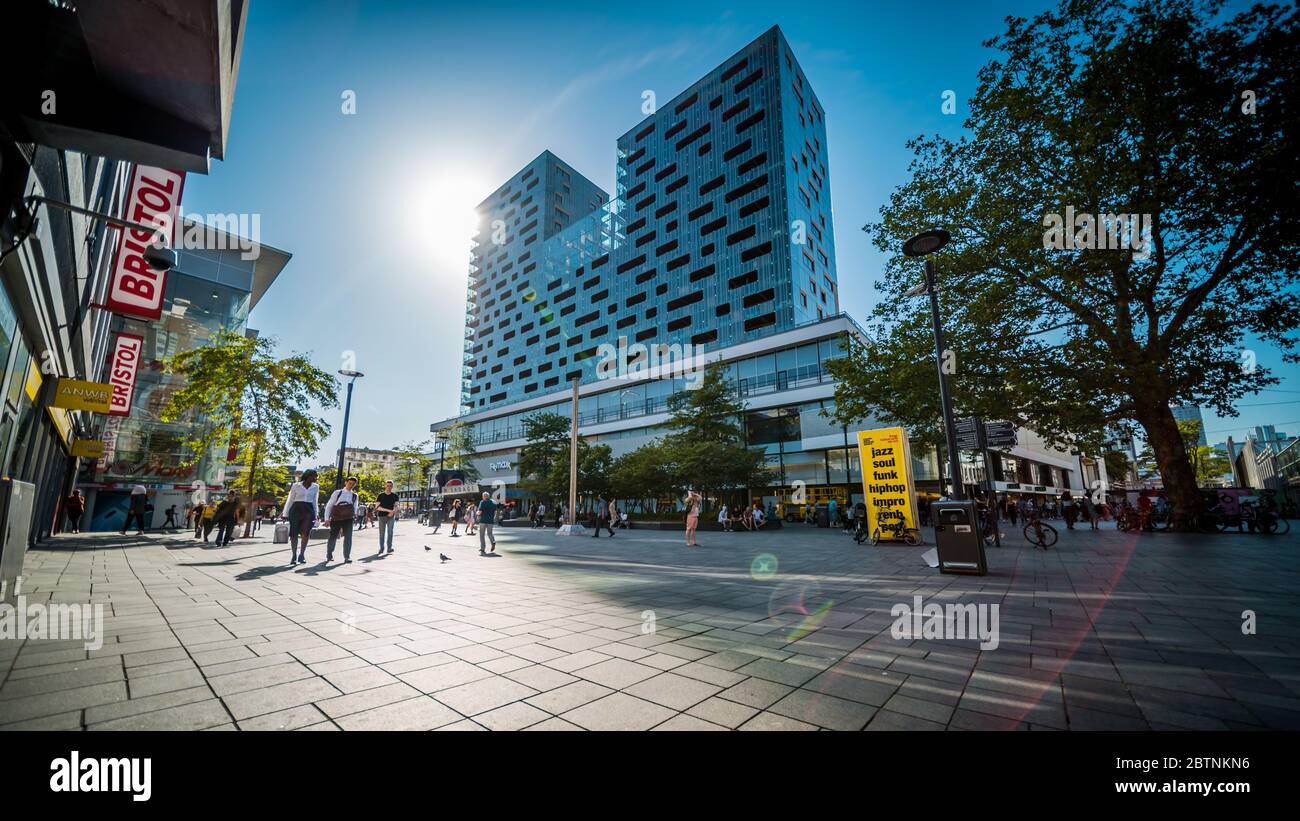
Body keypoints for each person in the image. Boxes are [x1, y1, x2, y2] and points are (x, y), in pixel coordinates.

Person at [283, 469, 320, 565]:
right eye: (314, 476)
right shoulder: (296, 485)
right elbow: (290, 499)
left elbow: (315, 501)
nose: (316, 478)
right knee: (294, 533)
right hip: (296, 509)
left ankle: (302, 554)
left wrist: (316, 514)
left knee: (306, 533)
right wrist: (285, 513)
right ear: (308, 476)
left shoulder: (316, 487)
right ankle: (294, 555)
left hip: (308, 510)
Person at [324, 476, 362, 563]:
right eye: (349, 483)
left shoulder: (355, 495)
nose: (351, 485)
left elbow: (355, 507)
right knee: (333, 536)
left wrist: (355, 516)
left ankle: (347, 557)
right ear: (346, 482)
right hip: (336, 518)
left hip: (348, 518)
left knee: (348, 537)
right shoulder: (338, 492)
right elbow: (329, 505)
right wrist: (327, 519)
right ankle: (329, 554)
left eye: (353, 484)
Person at [375, 480, 399, 555]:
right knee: (382, 533)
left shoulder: (395, 496)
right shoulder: (380, 495)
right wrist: (389, 510)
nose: (389, 487)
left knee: (390, 532)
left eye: (390, 486)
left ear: (392, 487)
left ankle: (389, 548)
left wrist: (393, 512)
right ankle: (381, 548)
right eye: (387, 485)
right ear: (385, 486)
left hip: (391, 517)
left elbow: (396, 506)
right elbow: (377, 507)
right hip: (381, 516)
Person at [477, 491, 498, 555]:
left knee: (482, 535)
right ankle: (493, 542)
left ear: (484, 496)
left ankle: (482, 548)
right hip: (490, 521)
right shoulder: (493, 502)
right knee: (490, 533)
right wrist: (493, 518)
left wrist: (477, 513)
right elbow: (495, 512)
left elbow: (480, 511)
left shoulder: (482, 502)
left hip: (483, 520)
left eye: (483, 496)